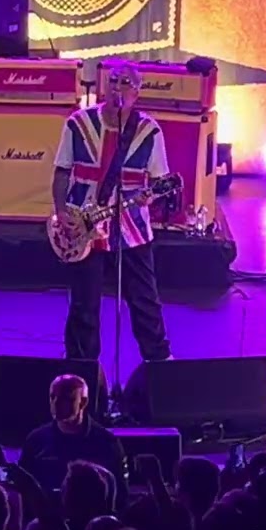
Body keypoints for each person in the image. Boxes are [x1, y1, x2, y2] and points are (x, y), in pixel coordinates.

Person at [51, 59, 171, 361]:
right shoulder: (78, 124)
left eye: (125, 83)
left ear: (137, 92)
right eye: (113, 80)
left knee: (145, 302)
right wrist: (61, 212)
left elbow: (160, 182)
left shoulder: (149, 132)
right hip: (83, 226)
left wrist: (149, 199)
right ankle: (81, 369)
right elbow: (62, 171)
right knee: (84, 305)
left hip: (131, 229)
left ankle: (160, 365)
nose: (118, 87)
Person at [18, 375, 125, 500]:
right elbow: (22, 488)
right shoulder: (36, 441)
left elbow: (121, 494)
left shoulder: (106, 443)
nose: (56, 403)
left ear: (83, 402)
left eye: (66, 399)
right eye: (52, 397)